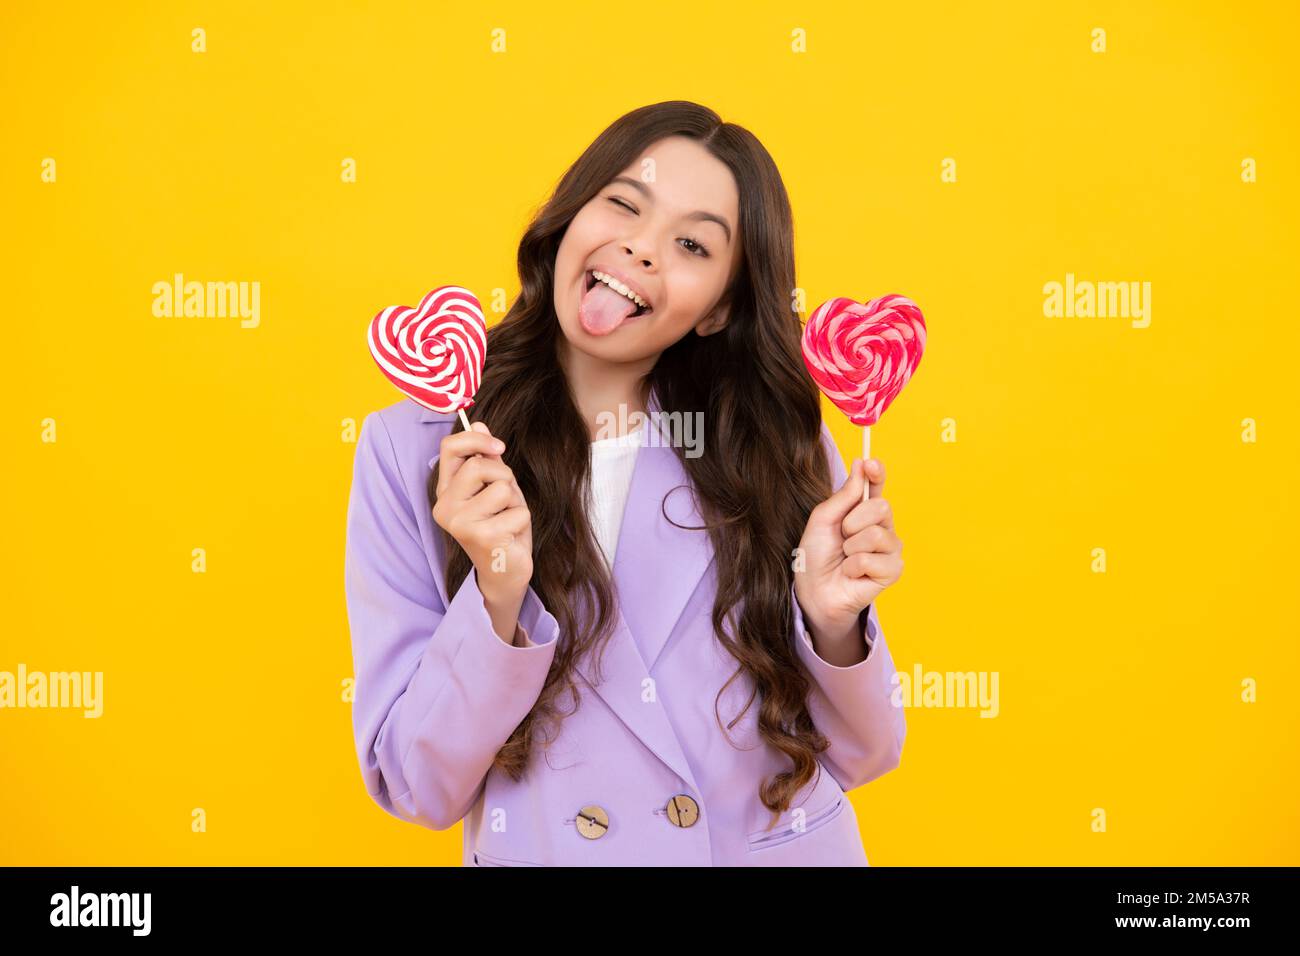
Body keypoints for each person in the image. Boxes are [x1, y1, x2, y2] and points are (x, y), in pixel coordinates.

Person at [345, 100, 906, 866]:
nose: (641, 249)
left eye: (691, 245)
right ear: (572, 217)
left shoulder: (772, 439)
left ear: (719, 309)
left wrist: (831, 621)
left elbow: (865, 755)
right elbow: (418, 785)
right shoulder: (413, 450)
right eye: (623, 204)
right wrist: (497, 596)